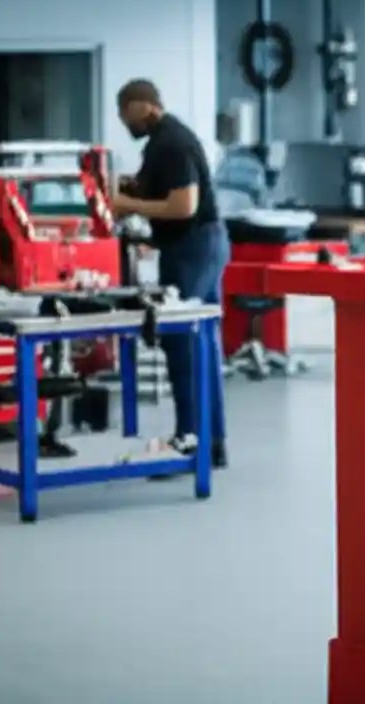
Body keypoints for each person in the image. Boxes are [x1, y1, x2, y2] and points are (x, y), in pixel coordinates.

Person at [111, 79, 229, 469]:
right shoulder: (163, 143)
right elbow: (161, 190)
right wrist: (132, 188)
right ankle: (210, 443)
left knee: (183, 340)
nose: (123, 121)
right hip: (198, 245)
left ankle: (192, 440)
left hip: (193, 246)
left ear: (143, 106)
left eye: (124, 111)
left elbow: (183, 205)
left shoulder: (171, 143)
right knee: (202, 342)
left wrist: (127, 204)